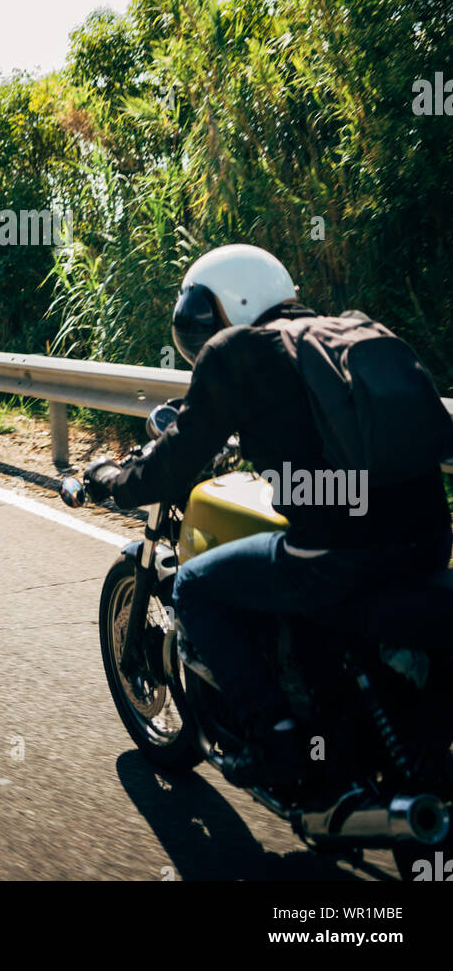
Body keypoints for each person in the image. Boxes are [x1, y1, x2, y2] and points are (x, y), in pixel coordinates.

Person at [84, 244, 452, 786]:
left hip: (335, 555)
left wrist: (117, 482)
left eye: (199, 314)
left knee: (195, 588)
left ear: (226, 305)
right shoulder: (348, 333)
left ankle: (276, 740)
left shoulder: (239, 351)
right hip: (427, 541)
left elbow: (178, 455)